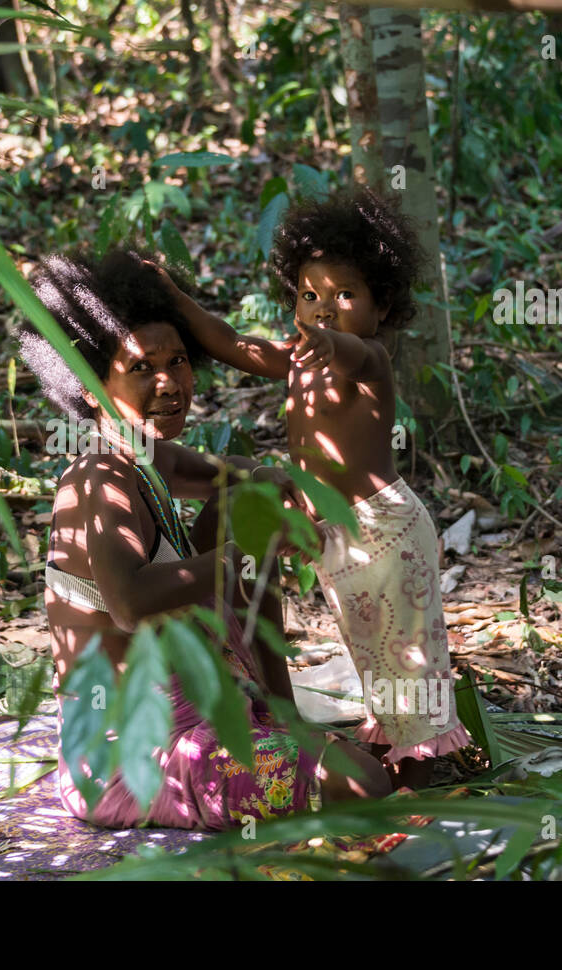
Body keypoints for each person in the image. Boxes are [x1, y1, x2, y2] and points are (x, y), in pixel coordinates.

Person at [17, 248, 389, 830]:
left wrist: (281, 488)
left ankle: (276, 712)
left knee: (253, 496)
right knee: (362, 782)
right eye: (142, 368)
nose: (169, 384)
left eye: (179, 362)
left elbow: (231, 475)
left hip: (204, 710)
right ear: (89, 386)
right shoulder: (95, 476)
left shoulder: (142, 454)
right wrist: (250, 553)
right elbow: (128, 601)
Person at [153, 189, 472, 790]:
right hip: (336, 532)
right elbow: (230, 343)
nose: (324, 309)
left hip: (384, 530)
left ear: (383, 306)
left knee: (410, 658)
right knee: (371, 650)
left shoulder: (369, 357)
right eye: (310, 296)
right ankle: (390, 749)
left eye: (344, 295)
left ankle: (433, 761)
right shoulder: (300, 358)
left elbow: (346, 349)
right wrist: (173, 296)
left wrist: (330, 340)